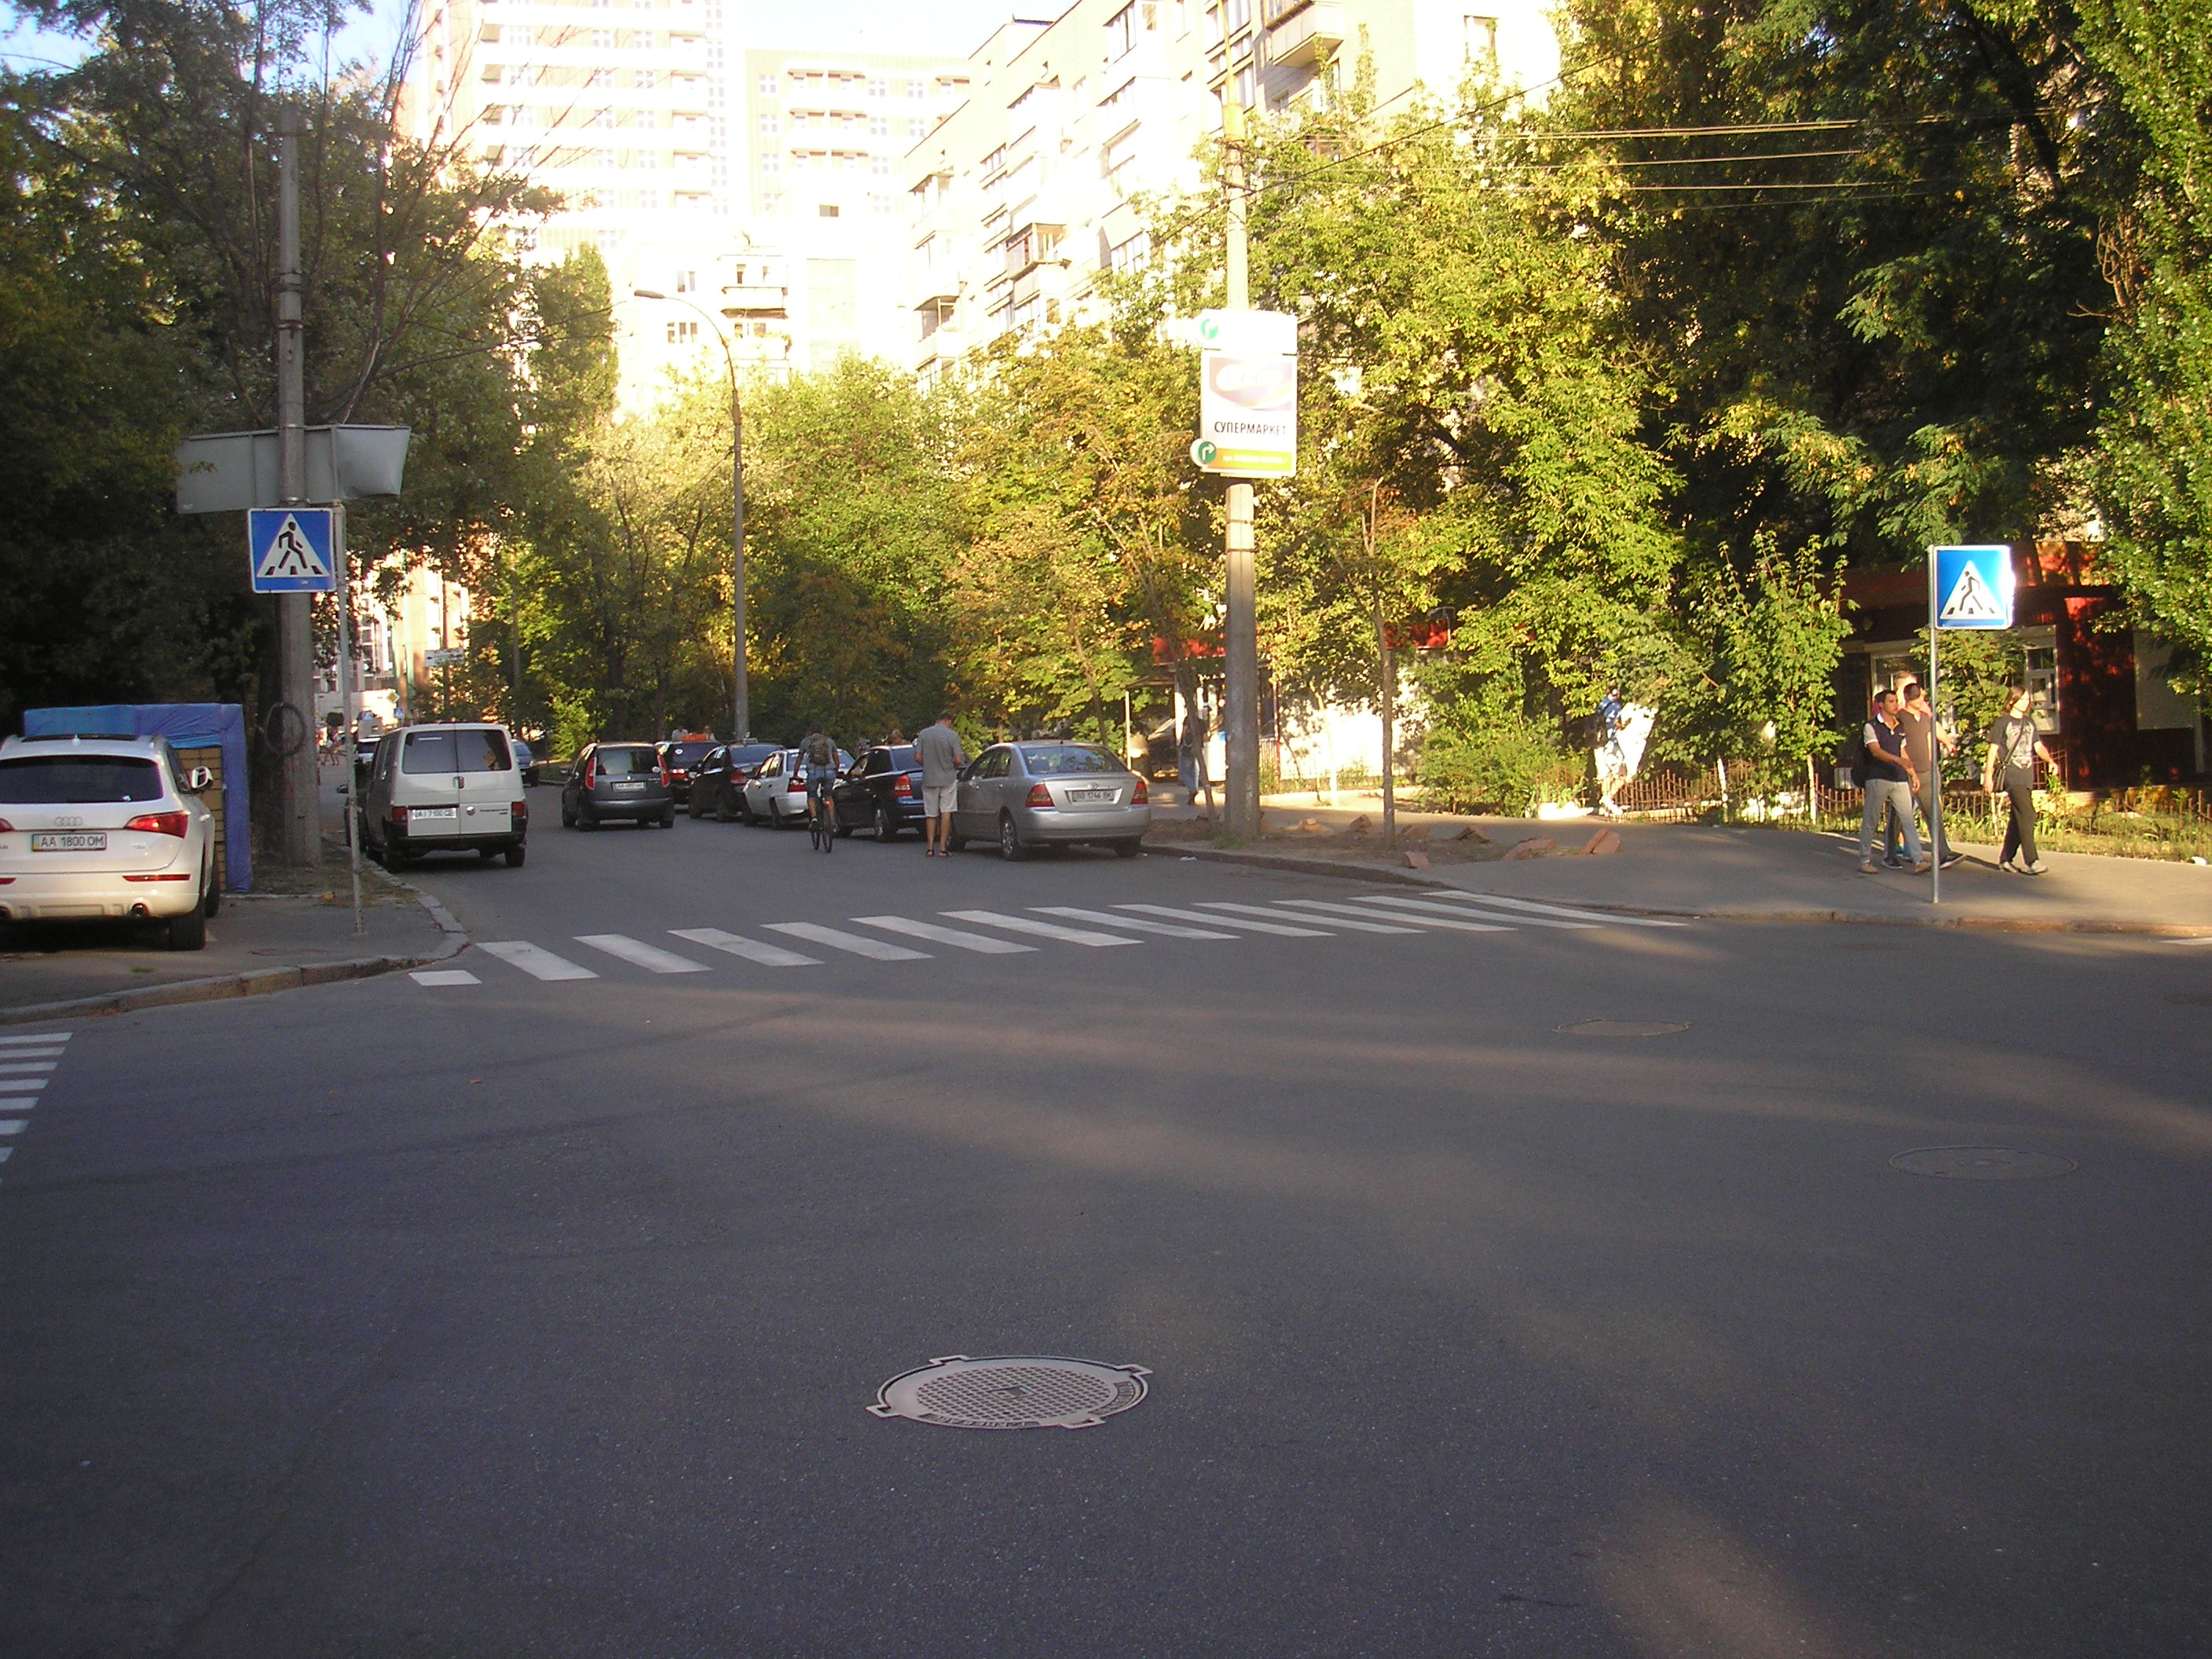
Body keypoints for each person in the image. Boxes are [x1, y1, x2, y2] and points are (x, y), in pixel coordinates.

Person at [1887, 679, 1959, 868]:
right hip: (1906, 773)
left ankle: (1943, 853)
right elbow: (1891, 738)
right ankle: (1890, 853)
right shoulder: (1900, 716)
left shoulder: (1925, 717)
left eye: (1921, 696)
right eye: (1916, 697)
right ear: (1908, 699)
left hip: (1926, 771)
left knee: (1933, 812)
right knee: (1899, 814)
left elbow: (1933, 732)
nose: (1920, 700)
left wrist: (1948, 744)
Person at [1985, 687, 2058, 874]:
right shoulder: (2002, 723)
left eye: (2028, 699)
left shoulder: (2029, 723)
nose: (2026, 703)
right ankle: (2032, 860)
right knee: (2029, 814)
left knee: (2018, 818)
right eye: (2022, 699)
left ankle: (2006, 858)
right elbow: (1993, 750)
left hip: (2027, 775)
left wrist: (2049, 760)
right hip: (2012, 775)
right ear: (2012, 701)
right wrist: (1987, 776)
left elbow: (2038, 746)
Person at [1859, 689, 1928, 873]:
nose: (1895, 704)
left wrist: (1912, 773)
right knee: (1871, 819)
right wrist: (1898, 760)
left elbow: (1903, 751)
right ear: (1881, 704)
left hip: (1899, 778)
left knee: (1907, 819)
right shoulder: (1871, 726)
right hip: (1878, 777)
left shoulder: (1900, 727)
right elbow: (1875, 751)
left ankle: (1918, 860)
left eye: (1896, 701)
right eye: (1891, 701)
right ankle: (1864, 859)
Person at [913, 712, 968, 858]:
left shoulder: (924, 734)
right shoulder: (952, 736)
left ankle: (930, 848)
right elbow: (958, 759)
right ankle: (943, 848)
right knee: (946, 812)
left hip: (929, 778)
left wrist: (929, 764)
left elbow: (917, 757)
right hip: (948, 778)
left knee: (930, 814)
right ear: (947, 721)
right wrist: (953, 765)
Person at [799, 723, 840, 831]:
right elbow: (836, 757)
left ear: (811, 732)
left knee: (812, 794)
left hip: (813, 772)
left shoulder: (806, 742)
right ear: (822, 732)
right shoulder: (829, 741)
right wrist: (836, 770)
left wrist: (795, 773)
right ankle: (832, 822)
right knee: (828, 795)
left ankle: (814, 819)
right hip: (829, 771)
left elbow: (799, 758)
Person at [1179, 706, 1214, 818]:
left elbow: (1184, 732)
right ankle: (1192, 795)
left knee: (1185, 773)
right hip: (1198, 749)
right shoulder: (1201, 722)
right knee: (1195, 772)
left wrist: (1181, 743)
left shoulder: (1187, 719)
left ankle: (1192, 790)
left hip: (1188, 749)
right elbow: (1205, 738)